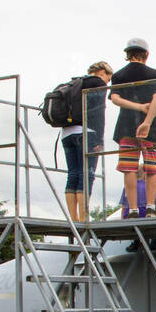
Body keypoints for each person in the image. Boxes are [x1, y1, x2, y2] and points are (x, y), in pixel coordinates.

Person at [110, 38, 156, 218]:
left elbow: (115, 99)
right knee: (151, 167)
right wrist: (147, 120)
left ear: (128, 54)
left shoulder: (118, 75)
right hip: (151, 128)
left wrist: (137, 107)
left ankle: (132, 209)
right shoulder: (154, 73)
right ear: (146, 54)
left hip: (126, 126)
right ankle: (150, 207)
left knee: (129, 168)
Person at [63, 61, 112, 223]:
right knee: (87, 174)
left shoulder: (76, 82)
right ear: (103, 72)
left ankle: (74, 217)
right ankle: (84, 217)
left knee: (73, 174)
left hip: (67, 133)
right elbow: (98, 113)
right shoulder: (97, 83)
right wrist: (99, 139)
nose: (107, 82)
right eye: (108, 78)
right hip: (87, 133)